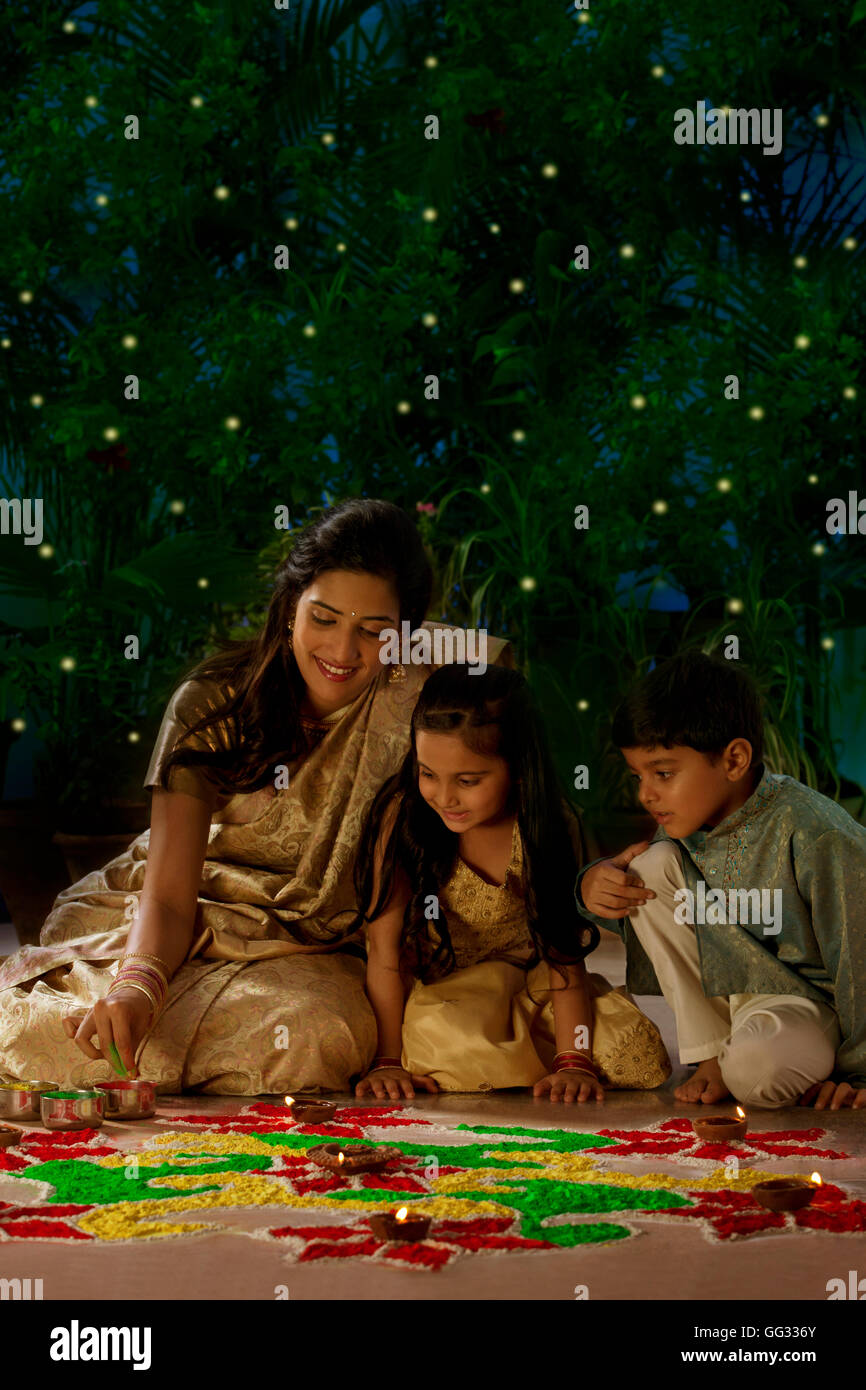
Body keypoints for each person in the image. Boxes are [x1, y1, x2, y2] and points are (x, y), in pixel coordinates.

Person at [0, 499, 512, 1094]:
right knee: (63, 1019)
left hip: (316, 943)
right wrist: (136, 988)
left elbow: (495, 677)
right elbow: (167, 895)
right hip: (173, 916)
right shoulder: (212, 704)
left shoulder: (415, 691)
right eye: (323, 619)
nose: (343, 652)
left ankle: (136, 1063)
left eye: (374, 632)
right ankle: (133, 1033)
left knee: (311, 1036)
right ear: (288, 606)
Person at [351, 664, 671, 1102]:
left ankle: (524, 1051)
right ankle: (502, 1049)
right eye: (428, 773)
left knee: (635, 1050)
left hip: (531, 985)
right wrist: (387, 1061)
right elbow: (385, 955)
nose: (444, 797)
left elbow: (564, 957)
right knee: (450, 1037)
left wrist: (573, 1062)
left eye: (468, 781)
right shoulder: (403, 818)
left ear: (519, 767)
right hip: (444, 992)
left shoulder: (547, 824)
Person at [576, 648, 866, 1111]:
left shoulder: (814, 830)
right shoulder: (684, 825)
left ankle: (792, 1059)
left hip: (810, 1005)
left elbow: (860, 955)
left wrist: (860, 1071)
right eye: (638, 775)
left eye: (663, 773)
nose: (645, 793)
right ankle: (710, 1054)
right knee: (649, 866)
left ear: (734, 760)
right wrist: (594, 886)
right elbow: (647, 916)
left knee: (756, 1074)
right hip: (733, 1001)